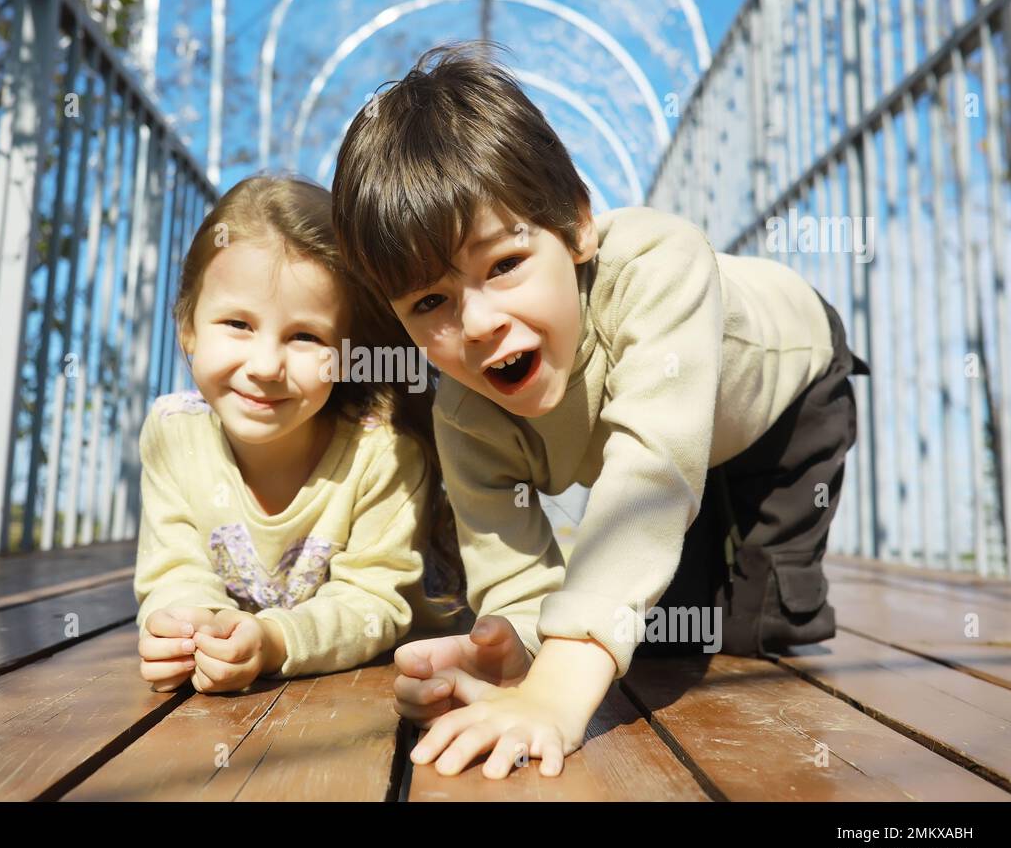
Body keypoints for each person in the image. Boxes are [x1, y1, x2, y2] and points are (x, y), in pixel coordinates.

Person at [330, 42, 869, 778]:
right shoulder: (464, 404)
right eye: (431, 302)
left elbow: (650, 473)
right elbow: (512, 568)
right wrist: (513, 648)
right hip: (687, 449)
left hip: (788, 393)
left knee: (757, 626)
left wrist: (558, 690)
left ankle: (771, 592)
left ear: (578, 226)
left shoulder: (657, 266)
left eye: (506, 264)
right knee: (662, 639)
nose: (480, 322)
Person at [135, 175, 466, 694]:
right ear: (188, 326)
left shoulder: (383, 452)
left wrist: (271, 641)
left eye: (305, 336)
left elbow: (372, 601)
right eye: (238, 324)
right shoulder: (173, 434)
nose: (266, 366)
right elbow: (174, 568)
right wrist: (187, 631)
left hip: (396, 697)